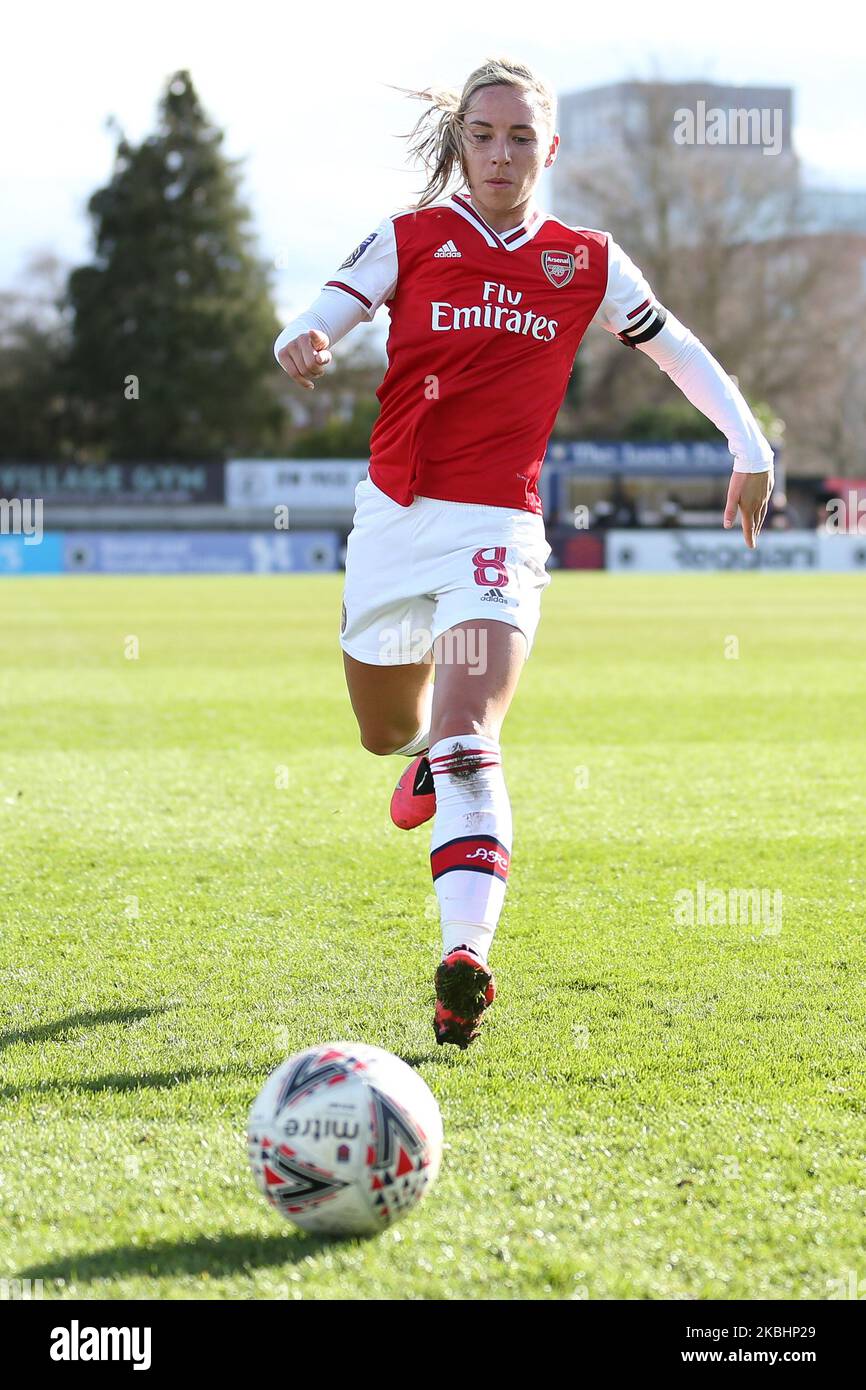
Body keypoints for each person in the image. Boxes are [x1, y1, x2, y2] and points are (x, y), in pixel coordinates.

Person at [274, 57, 774, 1049]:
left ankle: (465, 959)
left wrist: (748, 442)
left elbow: (672, 345)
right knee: (390, 734)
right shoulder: (410, 237)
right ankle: (419, 760)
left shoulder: (584, 260)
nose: (499, 154)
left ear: (549, 149)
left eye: (518, 138)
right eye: (481, 134)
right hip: (391, 520)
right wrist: (304, 338)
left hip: (493, 530)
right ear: (460, 142)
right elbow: (319, 312)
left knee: (469, 736)